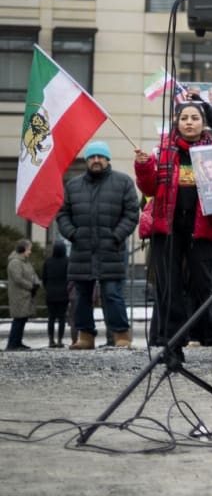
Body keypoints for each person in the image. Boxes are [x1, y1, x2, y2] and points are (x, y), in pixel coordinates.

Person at [135, 102, 212, 349]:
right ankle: (171, 341)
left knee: (207, 285)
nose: (189, 122)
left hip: (203, 229)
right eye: (184, 118)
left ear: (203, 122)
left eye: (195, 117)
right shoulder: (162, 150)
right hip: (169, 228)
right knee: (169, 286)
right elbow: (150, 188)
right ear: (177, 121)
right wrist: (143, 166)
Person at [54, 139, 140, 349]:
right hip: (81, 251)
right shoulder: (73, 185)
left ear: (107, 159)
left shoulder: (123, 182)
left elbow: (131, 213)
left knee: (112, 294)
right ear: (86, 160)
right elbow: (62, 214)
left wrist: (116, 236)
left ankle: (121, 335)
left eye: (100, 156)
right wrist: (72, 234)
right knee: (82, 296)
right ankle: (85, 337)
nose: (96, 160)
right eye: (92, 157)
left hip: (112, 250)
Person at [6, 241, 41, 351]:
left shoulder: (26, 262)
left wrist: (37, 283)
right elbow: (18, 279)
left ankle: (18, 342)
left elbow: (33, 274)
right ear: (22, 249)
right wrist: (31, 286)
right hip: (19, 296)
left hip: (26, 295)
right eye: (29, 249)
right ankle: (12, 343)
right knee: (18, 320)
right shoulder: (15, 262)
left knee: (23, 319)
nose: (30, 252)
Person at [42, 240, 69, 348]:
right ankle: (60, 340)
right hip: (63, 293)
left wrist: (47, 288)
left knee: (51, 318)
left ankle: (51, 340)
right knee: (62, 318)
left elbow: (44, 277)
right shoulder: (67, 261)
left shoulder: (48, 261)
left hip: (51, 293)